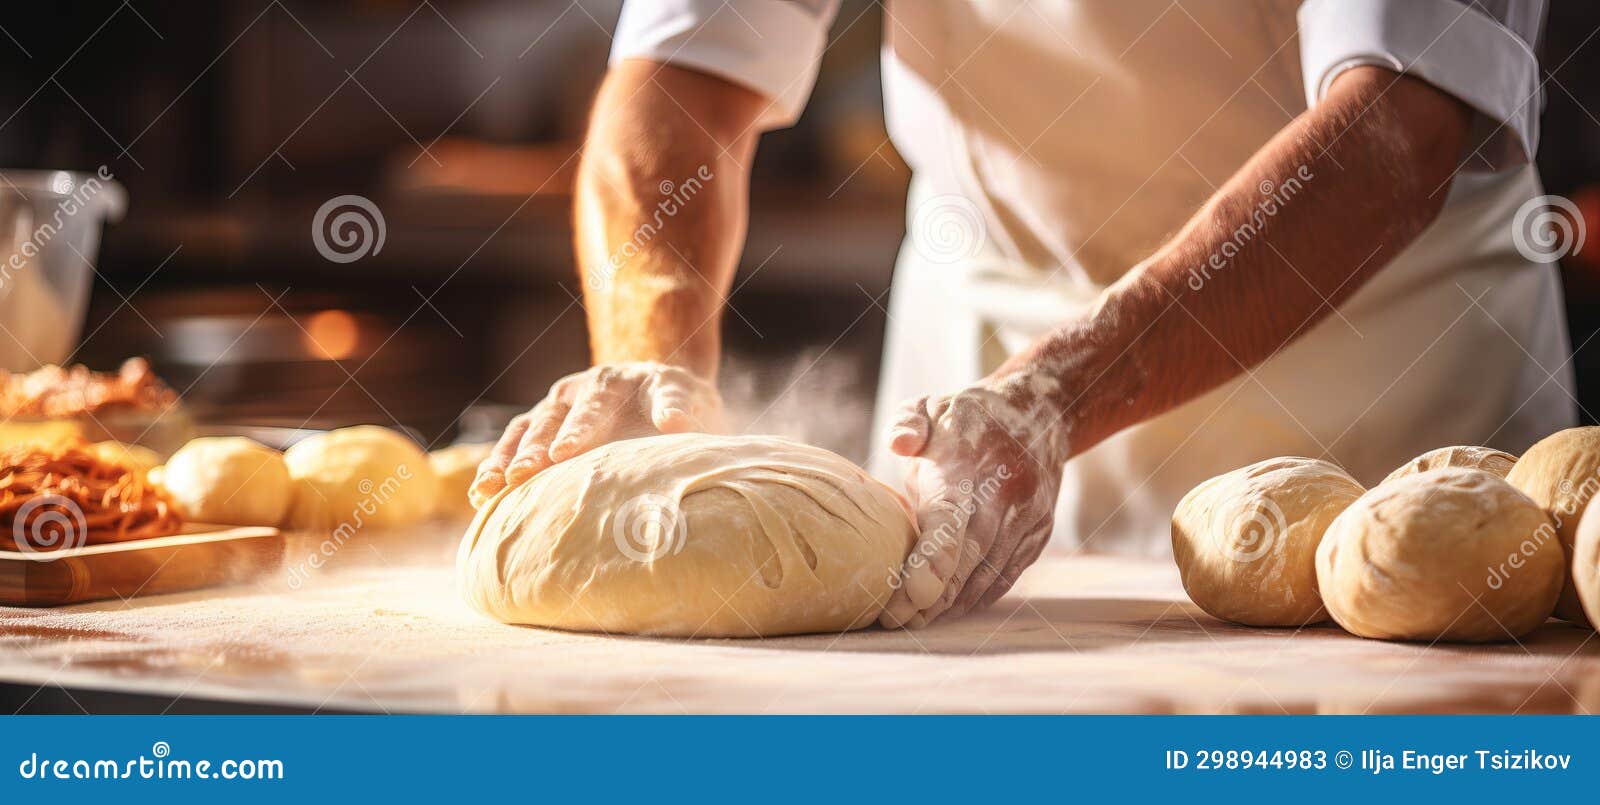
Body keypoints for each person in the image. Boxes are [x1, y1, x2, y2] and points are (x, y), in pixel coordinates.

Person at [471, 1, 1575, 628]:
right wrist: (656, 371)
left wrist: (1058, 394)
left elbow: (1402, 124)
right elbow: (683, 73)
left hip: (1380, 386)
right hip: (975, 373)